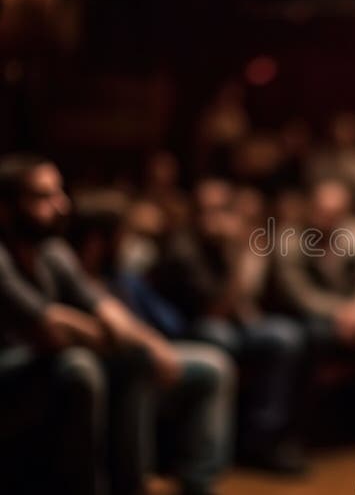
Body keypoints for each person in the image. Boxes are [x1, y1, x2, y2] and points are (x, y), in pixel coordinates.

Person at [0, 154, 180, 495]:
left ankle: (130, 485)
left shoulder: (52, 251)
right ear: (5, 208)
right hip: (8, 364)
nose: (62, 205)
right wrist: (114, 338)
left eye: (60, 193)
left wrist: (152, 344)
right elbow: (49, 326)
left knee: (132, 360)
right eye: (44, 197)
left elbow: (105, 308)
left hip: (37, 360)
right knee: (81, 365)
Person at [70, 199, 236, 494]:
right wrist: (149, 345)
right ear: (97, 241)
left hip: (149, 358)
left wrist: (154, 338)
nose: (128, 245)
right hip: (111, 368)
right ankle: (135, 482)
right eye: (123, 236)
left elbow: (171, 323)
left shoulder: (123, 278)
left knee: (215, 364)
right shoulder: (72, 280)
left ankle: (198, 480)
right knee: (139, 363)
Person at [152, 178, 308, 474]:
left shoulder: (221, 243)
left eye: (221, 210)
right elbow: (216, 311)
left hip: (231, 323)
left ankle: (263, 437)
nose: (215, 218)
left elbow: (249, 305)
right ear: (194, 214)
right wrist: (239, 257)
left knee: (284, 335)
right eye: (206, 211)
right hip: (187, 329)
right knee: (221, 338)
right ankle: (218, 443)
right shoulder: (183, 249)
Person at [277, 178, 355, 361]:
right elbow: (300, 294)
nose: (327, 219)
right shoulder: (290, 238)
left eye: (335, 213)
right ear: (309, 208)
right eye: (321, 212)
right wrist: (340, 312)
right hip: (315, 316)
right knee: (315, 335)